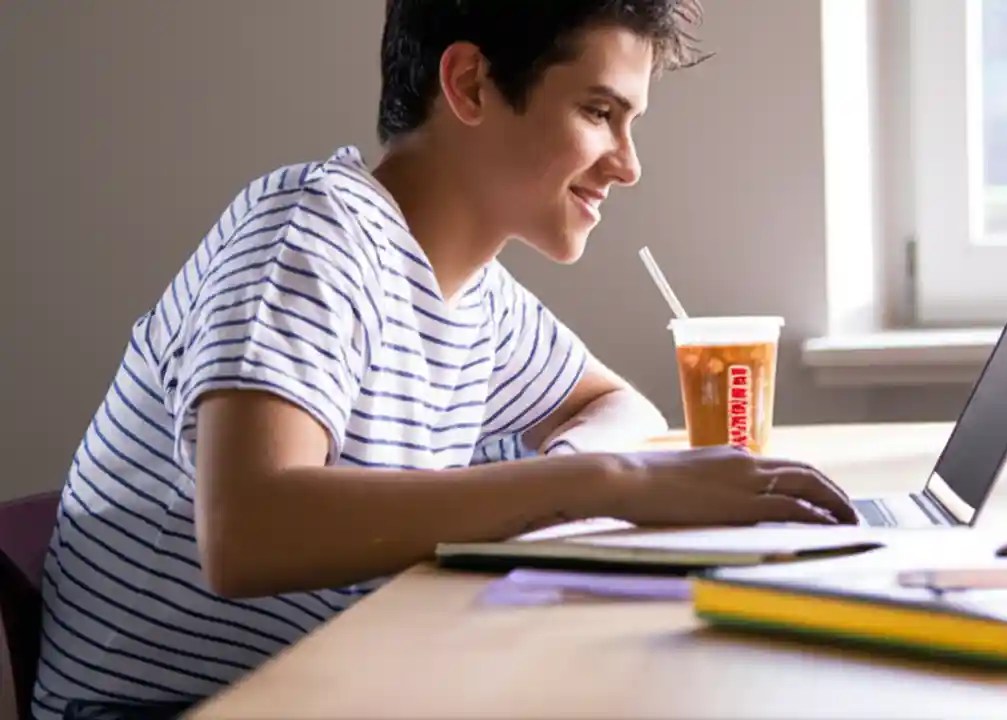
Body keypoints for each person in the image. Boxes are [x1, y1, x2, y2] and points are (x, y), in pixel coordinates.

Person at [33, 1, 858, 717]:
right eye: (600, 111)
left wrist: (572, 491)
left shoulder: (471, 293)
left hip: (334, 684)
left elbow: (613, 404)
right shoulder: (315, 234)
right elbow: (248, 530)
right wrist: (609, 487)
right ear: (468, 84)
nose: (628, 163)